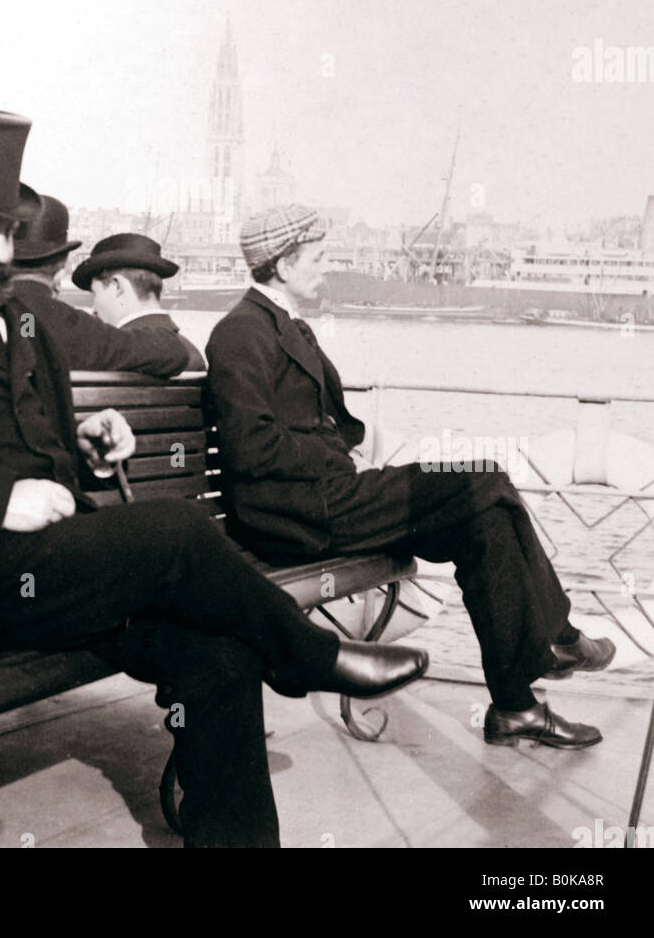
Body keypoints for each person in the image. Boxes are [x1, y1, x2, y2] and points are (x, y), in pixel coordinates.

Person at [0, 107, 428, 850]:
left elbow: (28, 439)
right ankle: (310, 658)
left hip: (34, 570)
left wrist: (86, 443)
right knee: (176, 527)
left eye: (8, 233)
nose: (0, 251)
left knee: (217, 653)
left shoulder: (13, 318)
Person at [206, 203, 616, 753]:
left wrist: (346, 460)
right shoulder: (240, 332)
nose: (327, 267)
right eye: (319, 257)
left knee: (487, 522)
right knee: (483, 476)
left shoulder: (276, 325)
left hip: (327, 496)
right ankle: (559, 637)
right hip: (299, 513)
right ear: (283, 265)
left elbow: (325, 425)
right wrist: (336, 463)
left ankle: (515, 707)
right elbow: (248, 446)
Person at [11, 194, 191, 376]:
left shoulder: (12, 314)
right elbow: (172, 351)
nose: (93, 309)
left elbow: (28, 329)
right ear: (60, 271)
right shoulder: (65, 326)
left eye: (94, 294)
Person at [73, 233, 206, 369]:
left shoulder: (110, 356)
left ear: (117, 285)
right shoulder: (192, 354)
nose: (93, 308)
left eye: (96, 294)